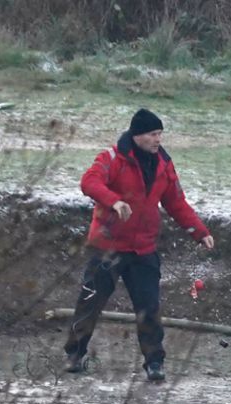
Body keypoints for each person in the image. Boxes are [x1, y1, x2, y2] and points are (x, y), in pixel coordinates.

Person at [63, 109, 214, 381]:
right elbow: (89, 182)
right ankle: (75, 353)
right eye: (153, 134)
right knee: (90, 302)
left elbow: (176, 202)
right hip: (107, 247)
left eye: (160, 134)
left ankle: (154, 362)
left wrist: (199, 231)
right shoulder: (112, 158)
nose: (158, 140)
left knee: (149, 307)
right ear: (137, 136)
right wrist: (114, 201)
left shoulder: (164, 165)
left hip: (143, 249)